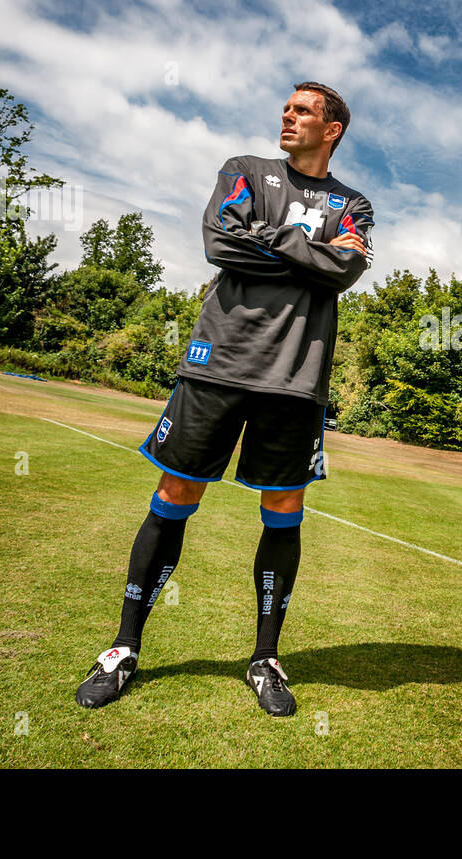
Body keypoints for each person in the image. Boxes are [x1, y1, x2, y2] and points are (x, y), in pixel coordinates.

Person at [76, 81, 374, 717]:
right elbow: (219, 244)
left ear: (334, 128)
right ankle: (124, 649)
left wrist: (272, 241)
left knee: (284, 509)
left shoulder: (355, 203)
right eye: (287, 108)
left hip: (296, 378)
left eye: (303, 111)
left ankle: (265, 659)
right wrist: (312, 256)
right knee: (176, 494)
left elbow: (347, 271)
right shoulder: (243, 171)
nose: (287, 117)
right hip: (218, 365)